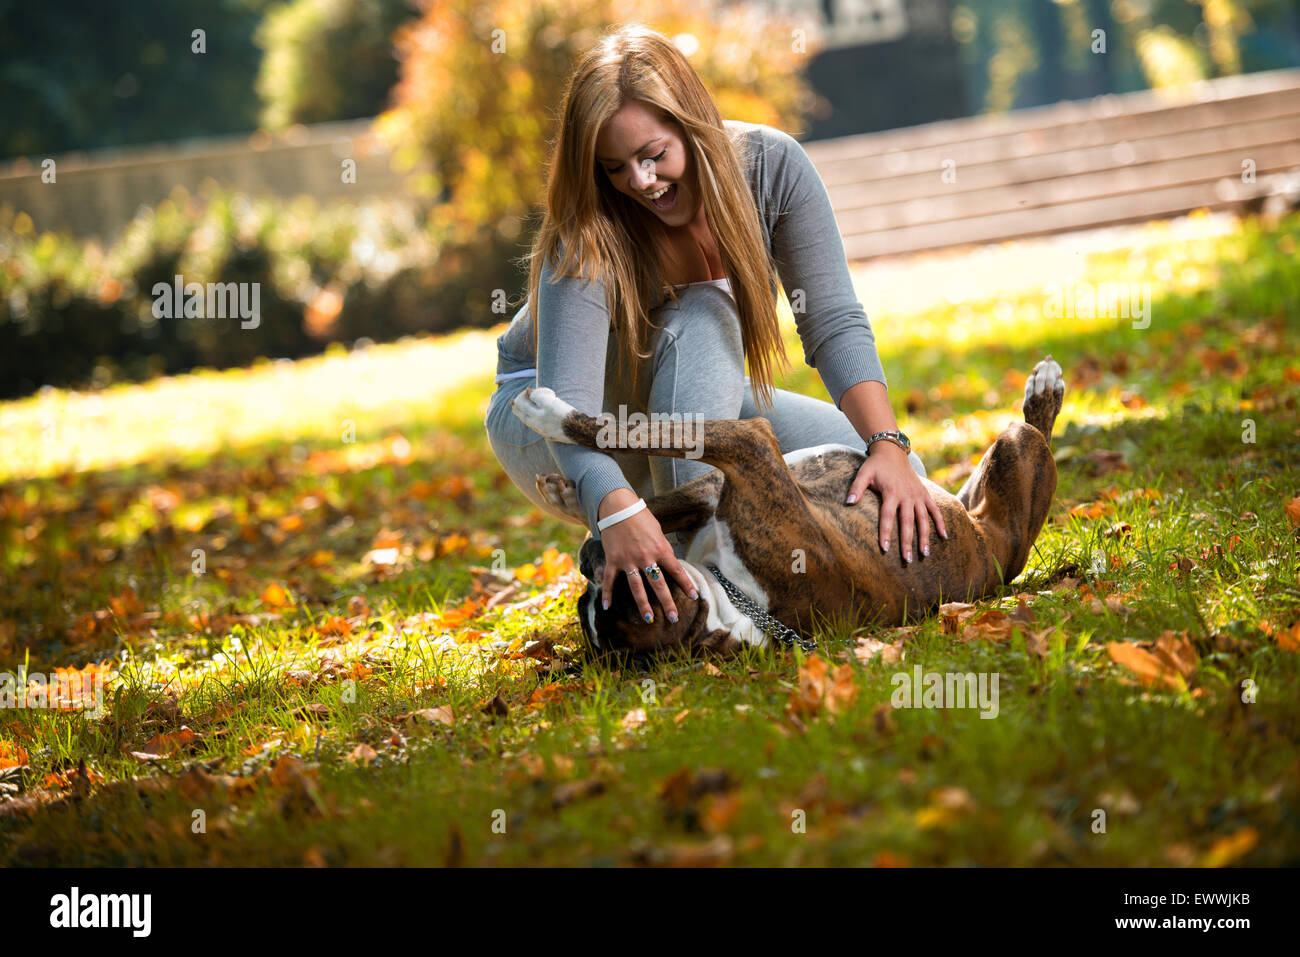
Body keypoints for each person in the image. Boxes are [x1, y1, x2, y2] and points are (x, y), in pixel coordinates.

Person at [485, 24, 946, 631]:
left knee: (888, 481)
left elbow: (832, 322)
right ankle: (701, 576)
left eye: (654, 155)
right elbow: (562, 404)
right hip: (549, 422)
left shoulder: (770, 168)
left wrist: (889, 445)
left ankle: (664, 517)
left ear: (693, 124)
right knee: (704, 313)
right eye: (615, 167)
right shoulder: (589, 226)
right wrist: (610, 498)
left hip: (690, 400)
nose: (641, 183)